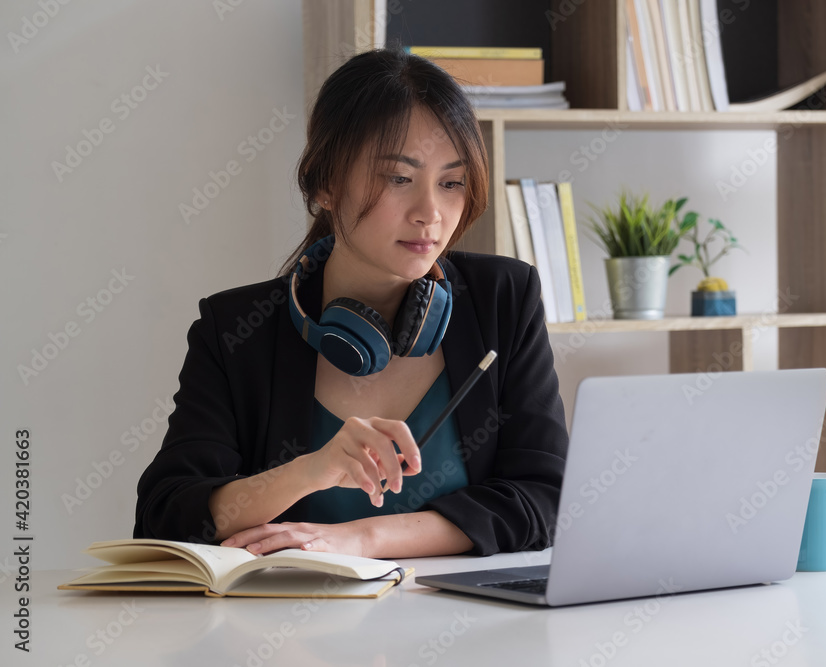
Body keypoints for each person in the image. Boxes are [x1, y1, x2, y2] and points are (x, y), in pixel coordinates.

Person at [133, 47, 569, 559]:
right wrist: (308, 471)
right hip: (287, 633)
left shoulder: (504, 299)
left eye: (451, 183)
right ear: (325, 184)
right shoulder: (235, 331)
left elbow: (548, 500)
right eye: (398, 179)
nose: (430, 213)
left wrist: (364, 538)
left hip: (471, 626)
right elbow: (166, 520)